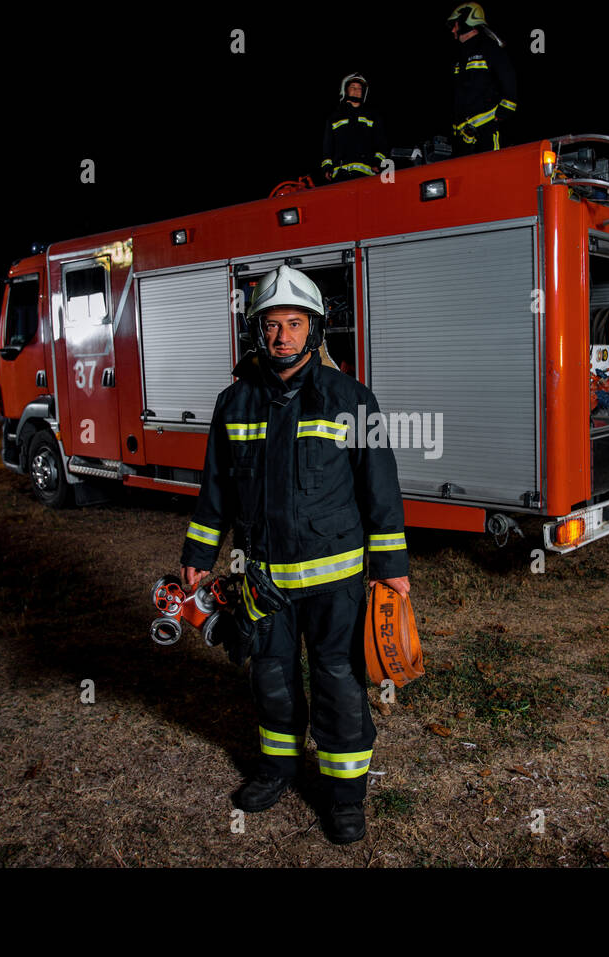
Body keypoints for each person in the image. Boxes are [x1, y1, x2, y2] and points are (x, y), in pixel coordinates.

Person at [180, 264, 410, 845]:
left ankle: (345, 794)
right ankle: (277, 769)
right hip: (264, 584)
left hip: (338, 584)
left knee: (339, 680)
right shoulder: (234, 405)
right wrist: (199, 555)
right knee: (273, 679)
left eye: (295, 323)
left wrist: (393, 573)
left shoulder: (352, 399)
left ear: (315, 328)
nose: (283, 336)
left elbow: (380, 493)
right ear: (258, 330)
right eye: (273, 324)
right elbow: (216, 491)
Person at [448, 3, 517, 155]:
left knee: (493, 173)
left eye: (455, 25)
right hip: (465, 138)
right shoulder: (458, 56)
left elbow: (509, 82)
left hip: (488, 130)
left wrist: (500, 115)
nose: (453, 30)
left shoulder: (489, 48)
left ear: (467, 23)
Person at [321, 72, 389, 182]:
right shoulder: (334, 117)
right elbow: (327, 146)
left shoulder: (372, 116)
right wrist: (327, 167)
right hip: (340, 174)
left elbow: (382, 143)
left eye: (359, 88)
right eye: (353, 87)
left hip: (366, 173)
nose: (356, 90)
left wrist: (377, 162)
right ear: (346, 90)